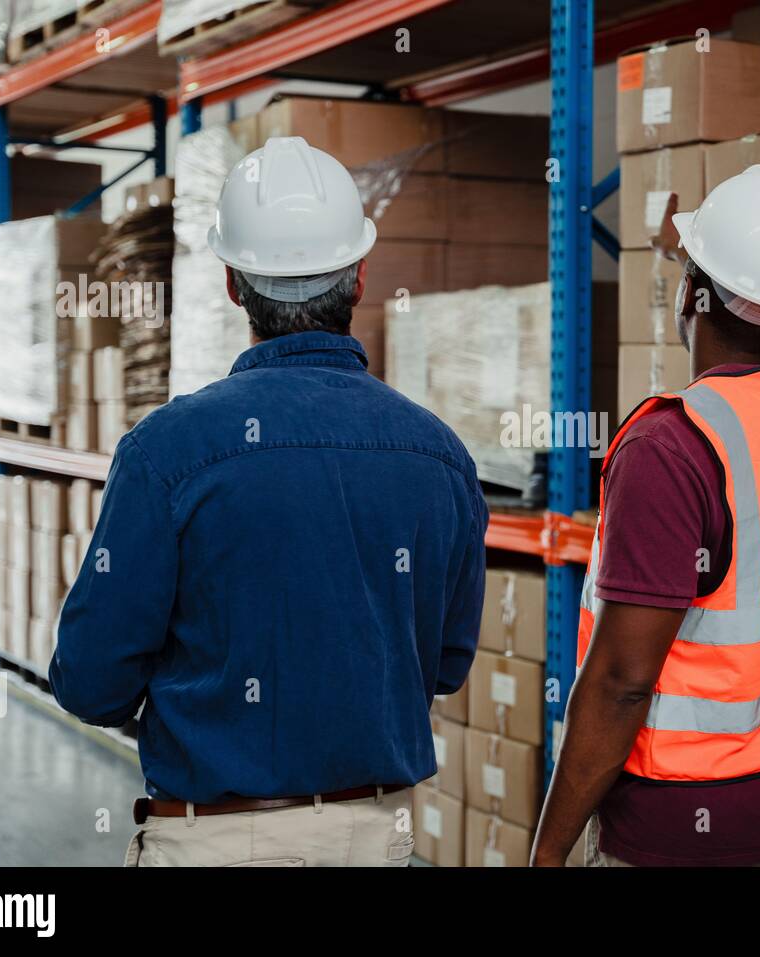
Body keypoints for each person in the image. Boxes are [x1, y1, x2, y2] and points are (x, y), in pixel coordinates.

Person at [51, 137, 487, 867]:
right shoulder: (439, 455)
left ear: (230, 283)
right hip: (378, 840)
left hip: (213, 840)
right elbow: (443, 664)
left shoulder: (167, 452)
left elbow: (91, 682)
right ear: (360, 277)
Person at [531, 166, 760, 867]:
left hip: (683, 834)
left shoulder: (672, 445)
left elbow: (622, 680)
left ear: (691, 291)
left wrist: (548, 852)